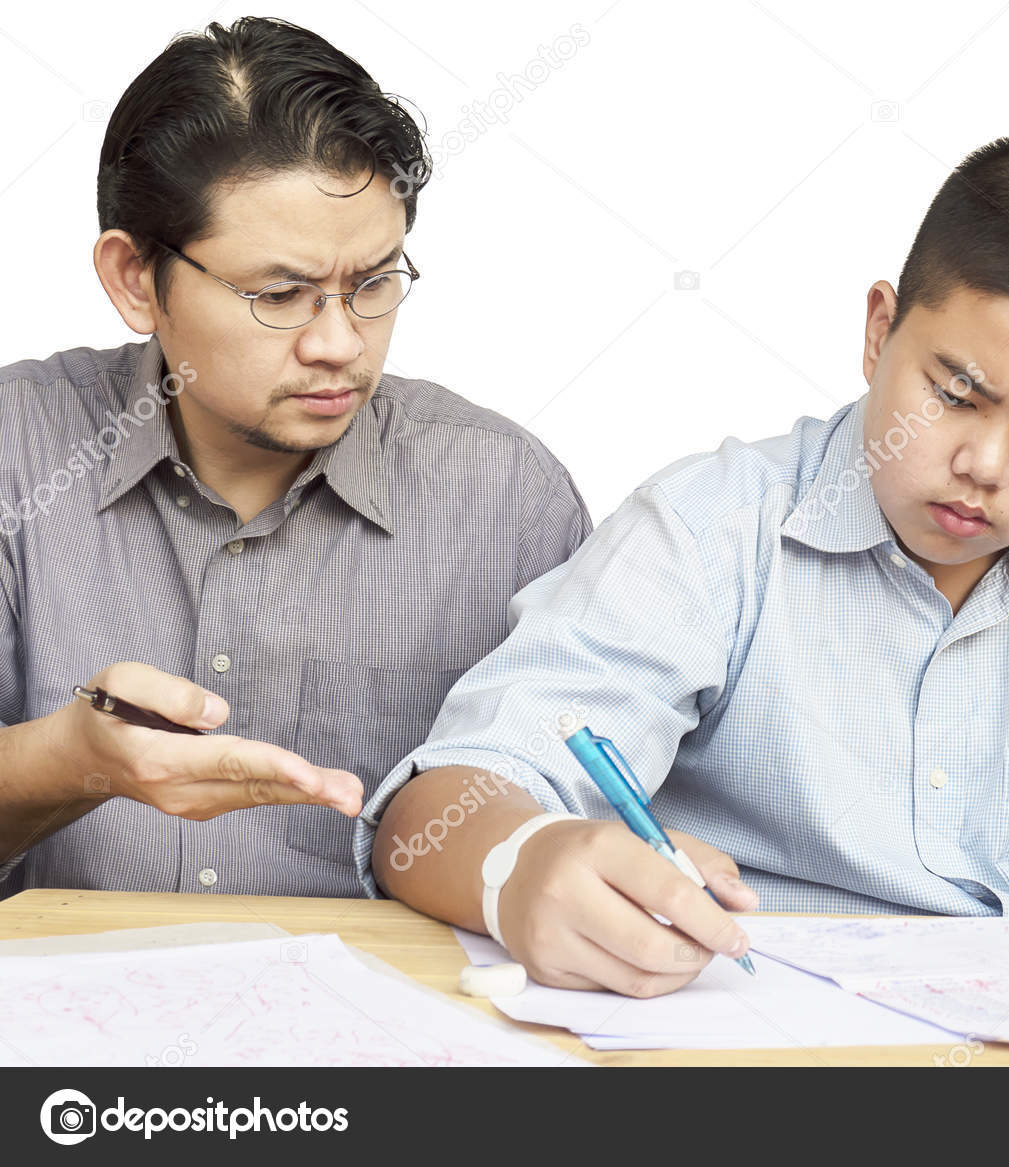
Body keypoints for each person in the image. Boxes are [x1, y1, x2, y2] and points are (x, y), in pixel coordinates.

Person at [368, 133, 1009, 998]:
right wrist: (523, 863)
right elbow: (433, 809)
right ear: (879, 331)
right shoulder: (710, 530)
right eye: (953, 394)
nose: (986, 463)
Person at [0, 17, 589, 899]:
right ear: (133, 280)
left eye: (376, 283)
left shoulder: (507, 497)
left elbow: (567, 819)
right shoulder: (15, 449)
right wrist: (66, 762)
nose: (339, 342)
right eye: (280, 294)